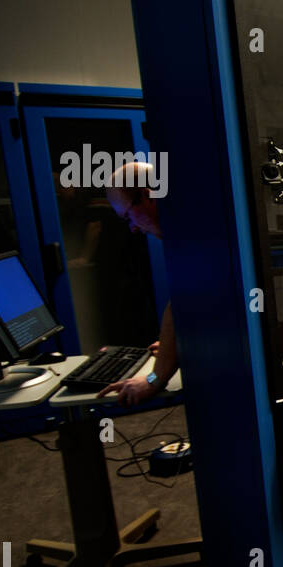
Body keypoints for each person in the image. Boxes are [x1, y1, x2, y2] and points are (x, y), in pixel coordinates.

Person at [98, 162, 177, 406]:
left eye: (127, 217)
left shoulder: (193, 232)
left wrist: (154, 379)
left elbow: (184, 305)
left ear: (146, 195)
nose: (133, 228)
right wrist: (168, 346)